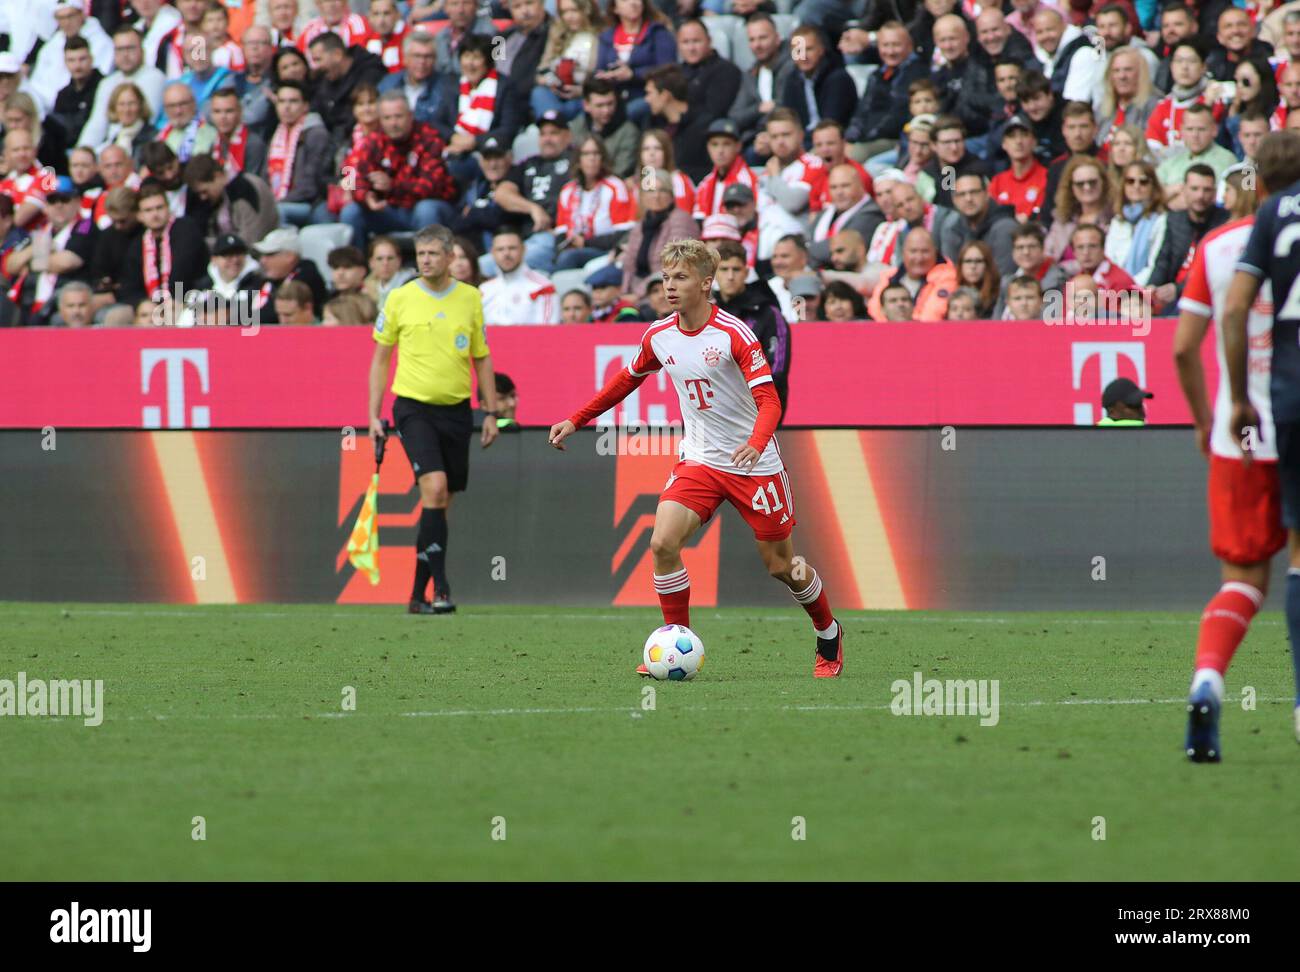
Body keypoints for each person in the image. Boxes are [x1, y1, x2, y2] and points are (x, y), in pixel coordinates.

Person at [548, 238, 845, 678]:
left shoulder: (734, 334)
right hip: (700, 460)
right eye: (666, 277)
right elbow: (627, 379)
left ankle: (828, 631)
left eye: (681, 278)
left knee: (782, 566)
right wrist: (576, 419)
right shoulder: (659, 335)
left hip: (754, 465)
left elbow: (770, 401)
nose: (670, 286)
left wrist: (757, 443)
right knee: (662, 544)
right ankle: (676, 644)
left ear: (706, 284)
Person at [1182, 131, 1300, 761]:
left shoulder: (1218, 247)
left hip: (1242, 436)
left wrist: (1209, 420)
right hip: (1294, 420)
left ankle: (1207, 680)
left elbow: (1182, 348)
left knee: (1243, 582)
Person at [368, 223, 499, 615]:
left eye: (432, 253)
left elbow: (481, 357)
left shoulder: (470, 298)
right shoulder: (400, 298)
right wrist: (373, 414)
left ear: (450, 256)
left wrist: (491, 411)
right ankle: (441, 588)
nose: (425, 260)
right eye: (420, 254)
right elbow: (380, 359)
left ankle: (416, 595)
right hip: (414, 408)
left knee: (440, 502)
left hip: (456, 410)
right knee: (436, 487)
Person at [341, 91, 457, 247]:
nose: (393, 123)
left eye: (398, 116)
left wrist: (393, 185)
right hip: (389, 209)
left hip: (424, 208)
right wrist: (366, 196)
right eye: (387, 118)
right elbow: (355, 178)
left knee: (426, 210)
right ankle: (356, 262)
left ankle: (430, 261)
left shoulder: (429, 138)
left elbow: (431, 186)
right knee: (351, 212)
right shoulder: (373, 141)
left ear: (410, 115)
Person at [713, 239, 791, 416]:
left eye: (736, 269)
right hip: (715, 412)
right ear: (714, 273)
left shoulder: (768, 313)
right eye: (724, 269)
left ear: (746, 272)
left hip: (757, 410)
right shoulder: (706, 312)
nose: (730, 276)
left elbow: (777, 369)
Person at [117, 181, 209, 307]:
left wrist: (169, 301)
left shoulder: (185, 229)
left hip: (190, 299)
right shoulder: (137, 245)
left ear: (168, 209)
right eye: (148, 210)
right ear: (140, 216)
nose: (155, 214)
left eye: (159, 208)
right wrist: (145, 304)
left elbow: (183, 272)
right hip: (151, 307)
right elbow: (130, 286)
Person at [553, 135, 637, 270]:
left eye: (596, 153)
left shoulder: (615, 186)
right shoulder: (567, 191)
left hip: (604, 250)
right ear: (578, 160)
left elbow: (624, 233)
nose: (592, 158)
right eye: (586, 154)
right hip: (572, 250)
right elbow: (561, 234)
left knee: (568, 258)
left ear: (603, 158)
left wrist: (586, 242)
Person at [592, 0, 676, 126]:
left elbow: (668, 70)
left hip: (646, 95)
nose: (633, 3)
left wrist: (633, 75)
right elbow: (599, 69)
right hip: (614, 96)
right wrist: (605, 76)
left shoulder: (658, 32)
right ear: (615, 8)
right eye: (625, 0)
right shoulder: (606, 37)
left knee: (629, 113)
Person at [621, 168, 698, 299]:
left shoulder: (681, 220)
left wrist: (637, 295)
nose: (656, 196)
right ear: (643, 196)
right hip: (639, 289)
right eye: (651, 190)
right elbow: (629, 266)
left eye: (662, 190)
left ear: (671, 195)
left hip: (667, 291)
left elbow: (674, 266)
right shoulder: (642, 224)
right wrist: (624, 294)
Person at [184, 154, 279, 249]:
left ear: (217, 176)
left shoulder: (244, 190)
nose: (203, 197)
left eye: (205, 191)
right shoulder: (220, 196)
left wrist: (205, 244)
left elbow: (251, 239)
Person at [532, 0, 602, 121]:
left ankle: (556, 125)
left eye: (574, 10)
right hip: (556, 91)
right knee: (539, 93)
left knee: (577, 105)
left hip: (584, 93)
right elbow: (542, 69)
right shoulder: (557, 32)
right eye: (564, 12)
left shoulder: (602, 35)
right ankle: (555, 125)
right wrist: (551, 81)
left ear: (587, 10)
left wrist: (582, 90)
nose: (569, 16)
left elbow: (601, 74)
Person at [245, 225, 328, 322]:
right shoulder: (262, 278)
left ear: (290, 256)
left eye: (270, 254)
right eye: (262, 255)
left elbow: (273, 316)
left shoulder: (306, 277)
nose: (263, 260)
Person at [480, 227, 560, 324]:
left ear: (523, 249)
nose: (506, 253)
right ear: (492, 252)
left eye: (512, 248)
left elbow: (548, 331)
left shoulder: (542, 287)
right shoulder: (484, 290)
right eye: (500, 249)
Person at [569, 78, 638, 179]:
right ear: (586, 105)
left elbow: (622, 169)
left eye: (610, 104)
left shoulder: (628, 132)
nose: (606, 110)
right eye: (600, 105)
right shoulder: (575, 127)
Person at [363, 235, 414, 310]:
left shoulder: (411, 283)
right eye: (379, 259)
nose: (385, 263)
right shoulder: (367, 287)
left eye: (390, 258)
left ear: (399, 261)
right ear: (371, 263)